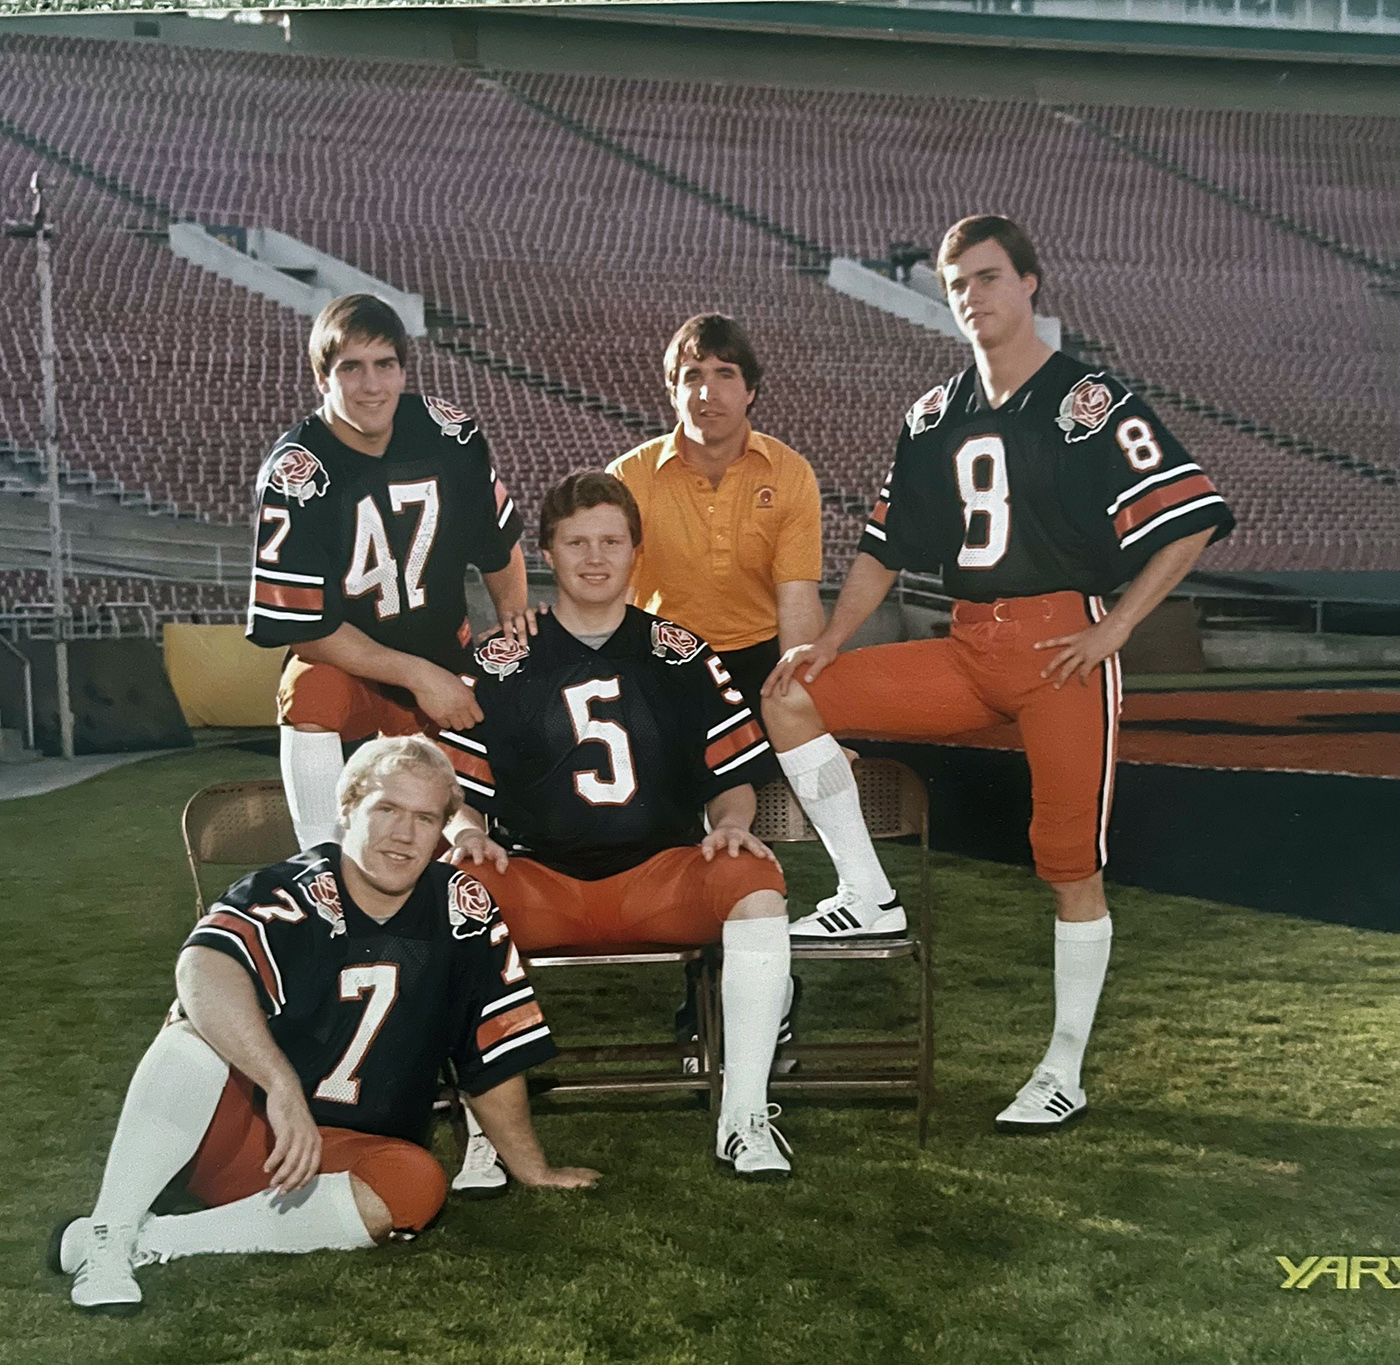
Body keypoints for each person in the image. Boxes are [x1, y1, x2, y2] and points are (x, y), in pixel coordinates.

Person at [762, 215, 1235, 1132]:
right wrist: (829, 637)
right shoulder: (933, 415)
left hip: (1063, 650)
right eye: (956, 283)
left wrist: (1121, 626)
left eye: (987, 277)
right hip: (970, 641)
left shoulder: (1089, 400)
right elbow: (884, 547)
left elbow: (1192, 515)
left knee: (1067, 867)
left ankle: (1063, 1067)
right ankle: (865, 891)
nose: (971, 296)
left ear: (1029, 284)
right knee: (794, 693)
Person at [50, 737, 596, 1315]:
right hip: (241, 1132)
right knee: (191, 1038)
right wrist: (281, 1087)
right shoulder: (291, 890)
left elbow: (492, 1047)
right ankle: (111, 1229)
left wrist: (533, 1170)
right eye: (386, 809)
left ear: (442, 830)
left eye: (425, 818)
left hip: (342, 1153)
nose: (404, 835)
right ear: (347, 807)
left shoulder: (463, 907)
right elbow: (201, 968)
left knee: (415, 1185)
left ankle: (155, 1240)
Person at [438, 471, 795, 1180]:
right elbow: (459, 790)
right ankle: (487, 1130)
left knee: (755, 876)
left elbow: (732, 780)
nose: (594, 557)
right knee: (456, 890)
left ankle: (744, 1115)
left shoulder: (682, 653)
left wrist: (728, 824)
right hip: (537, 876)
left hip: (658, 875)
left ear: (637, 549)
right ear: (546, 550)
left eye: (610, 540)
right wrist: (465, 831)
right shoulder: (500, 658)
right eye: (576, 541)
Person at [246, 293, 532, 851]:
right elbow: (308, 629)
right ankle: (321, 864)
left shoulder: (449, 435)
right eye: (350, 367)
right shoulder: (297, 471)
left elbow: (499, 550)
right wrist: (418, 676)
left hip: (445, 653)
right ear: (322, 378)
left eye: (385, 364)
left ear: (403, 370)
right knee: (310, 690)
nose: (371, 384)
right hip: (357, 665)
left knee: (472, 814)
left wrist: (515, 642)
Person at [606, 313, 824, 716]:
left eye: (725, 374)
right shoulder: (627, 477)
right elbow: (616, 595)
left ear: (751, 390)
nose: (708, 393)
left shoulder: (790, 472)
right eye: (692, 376)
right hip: (662, 657)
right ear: (672, 392)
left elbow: (797, 598)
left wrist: (798, 691)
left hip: (760, 659)